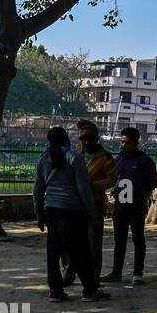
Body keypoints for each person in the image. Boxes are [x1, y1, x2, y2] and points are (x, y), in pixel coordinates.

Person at [33, 127, 109, 302]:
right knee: (80, 251)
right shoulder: (75, 158)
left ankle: (55, 291)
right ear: (66, 140)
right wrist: (91, 212)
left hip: (51, 210)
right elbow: (83, 188)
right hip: (72, 211)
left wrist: (39, 214)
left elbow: (38, 190)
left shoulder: (43, 159)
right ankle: (89, 290)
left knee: (53, 252)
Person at [62, 120, 117, 287]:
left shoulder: (106, 157)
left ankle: (94, 276)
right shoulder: (76, 154)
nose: (86, 143)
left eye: (89, 139)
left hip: (94, 203)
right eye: (83, 140)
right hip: (75, 204)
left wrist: (93, 185)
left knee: (93, 242)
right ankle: (69, 274)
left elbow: (112, 179)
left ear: (96, 139)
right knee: (71, 241)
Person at [108, 127, 157, 284]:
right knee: (119, 240)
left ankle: (137, 273)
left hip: (136, 206)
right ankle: (116, 273)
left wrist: (139, 191)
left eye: (127, 142)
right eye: (122, 142)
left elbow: (152, 183)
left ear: (136, 143)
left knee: (138, 238)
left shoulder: (144, 161)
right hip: (120, 206)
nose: (123, 145)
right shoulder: (119, 159)